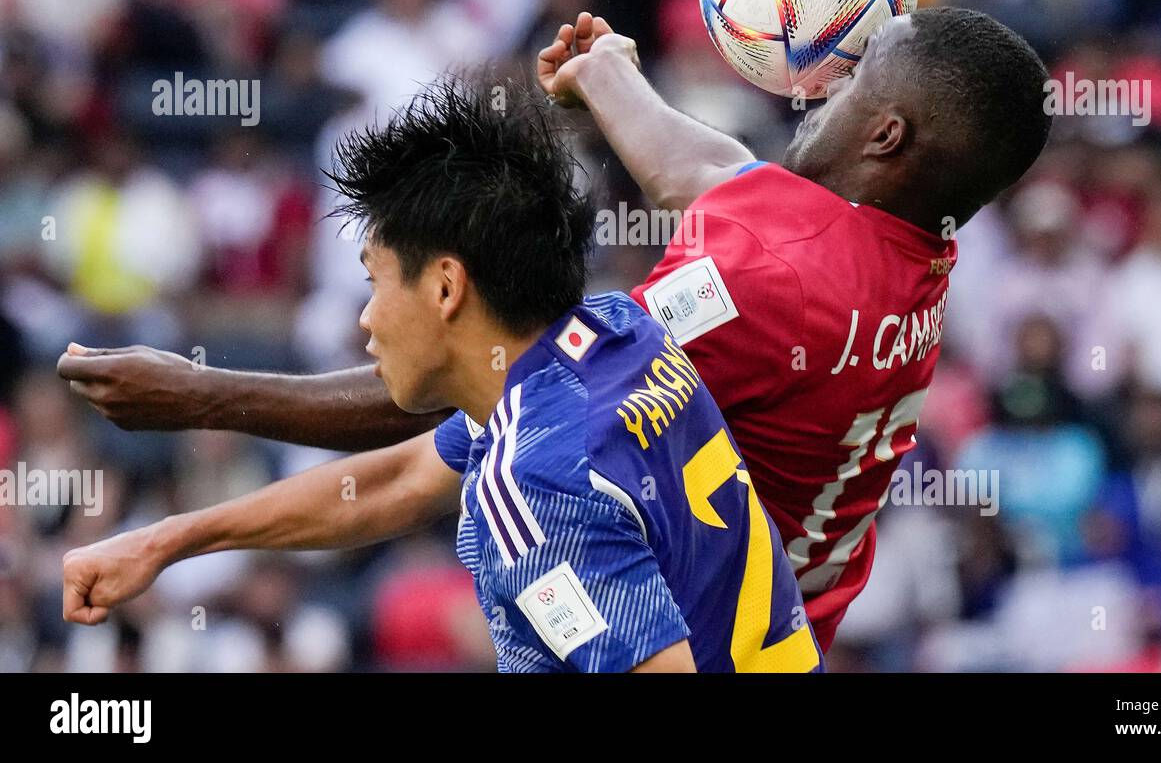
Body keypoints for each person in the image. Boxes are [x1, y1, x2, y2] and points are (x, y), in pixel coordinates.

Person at [58, 6, 1052, 649]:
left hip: (702, 622)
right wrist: (609, 72)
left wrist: (199, 395)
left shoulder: (572, 435)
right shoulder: (899, 248)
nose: (821, 89)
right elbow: (713, 181)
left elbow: (426, 436)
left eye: (851, 84)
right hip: (772, 621)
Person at [61, 77, 822, 675]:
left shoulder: (537, 483)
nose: (365, 319)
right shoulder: (616, 334)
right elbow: (393, 482)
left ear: (446, 286)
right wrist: (164, 541)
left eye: (375, 279)